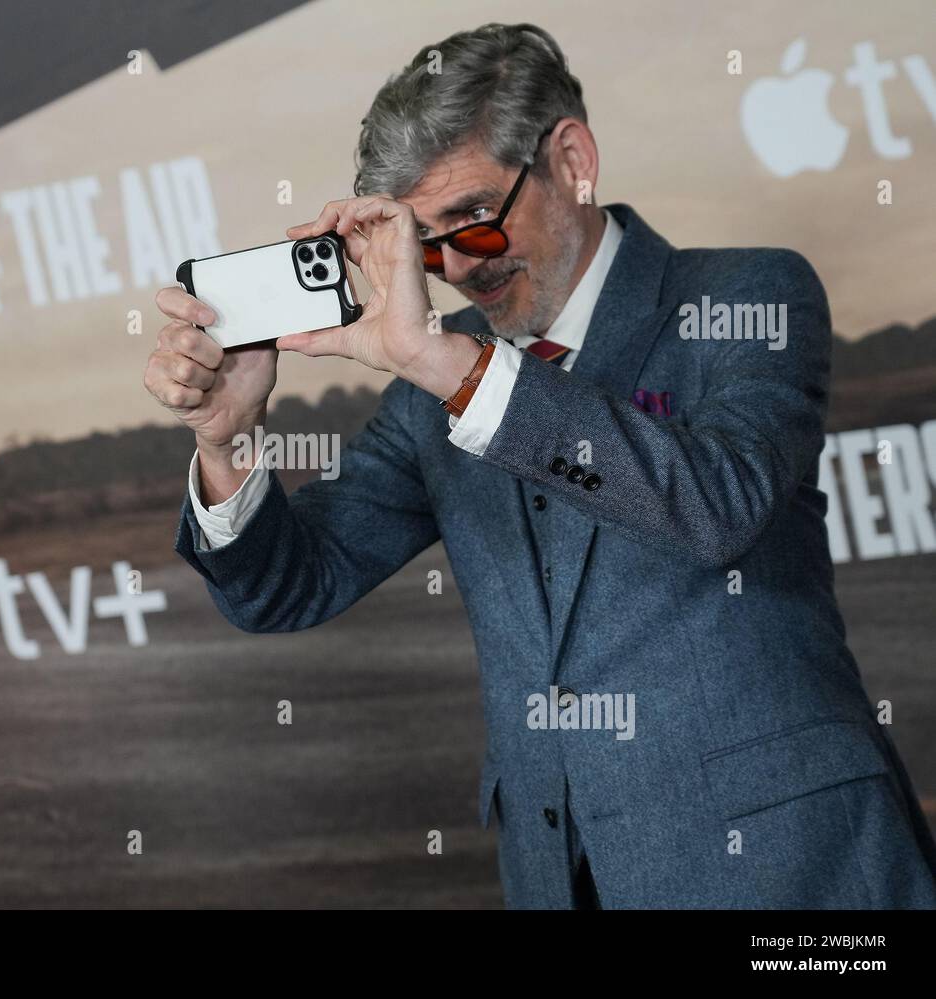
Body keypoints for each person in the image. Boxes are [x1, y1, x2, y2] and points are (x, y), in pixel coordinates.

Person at [142, 21, 936, 908]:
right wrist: (229, 438)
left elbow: (719, 506)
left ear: (572, 159)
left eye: (473, 223)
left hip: (799, 879)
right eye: (423, 246)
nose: (454, 270)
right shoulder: (424, 396)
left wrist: (446, 362)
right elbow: (287, 588)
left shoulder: (747, 295)